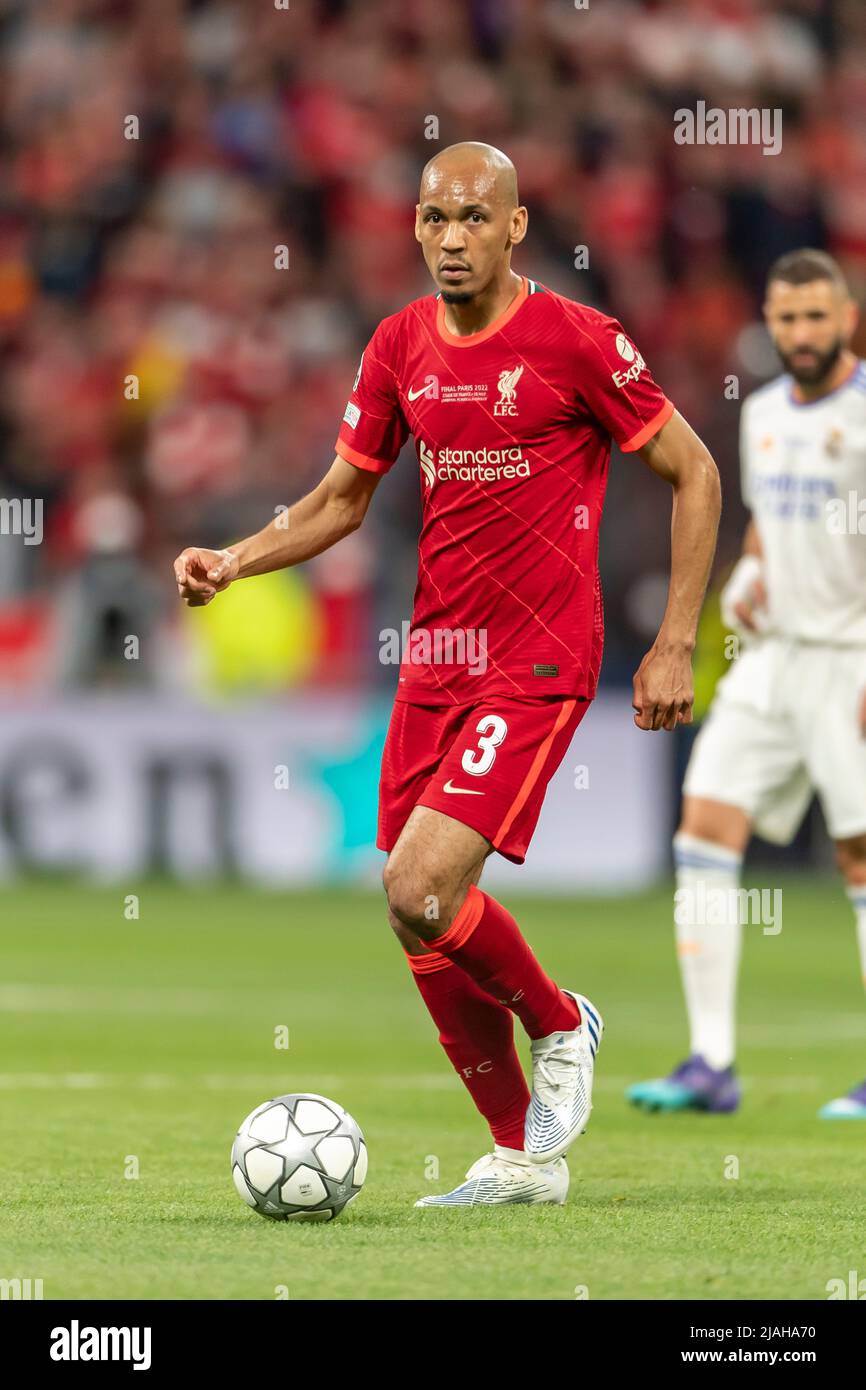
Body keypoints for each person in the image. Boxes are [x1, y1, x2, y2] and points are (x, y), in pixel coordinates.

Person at [175, 142, 720, 1205]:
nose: (451, 239)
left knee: (419, 884)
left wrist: (672, 639)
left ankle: (562, 1020)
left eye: (474, 219)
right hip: (433, 658)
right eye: (433, 220)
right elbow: (341, 500)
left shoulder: (576, 340)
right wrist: (234, 558)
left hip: (536, 658)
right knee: (414, 913)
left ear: (514, 227)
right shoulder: (398, 346)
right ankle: (518, 1155)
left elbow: (691, 470)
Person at [628, 249, 866, 1120]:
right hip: (772, 663)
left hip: (851, 661)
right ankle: (711, 1063)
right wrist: (749, 574)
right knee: (705, 828)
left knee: (858, 854)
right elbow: (770, 520)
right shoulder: (762, 414)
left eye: (816, 316)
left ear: (845, 319)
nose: (801, 332)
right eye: (786, 317)